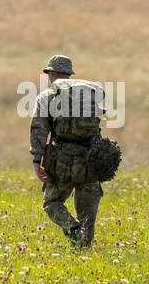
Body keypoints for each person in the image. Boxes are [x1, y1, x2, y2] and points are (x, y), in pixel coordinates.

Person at [30, 54, 104, 248]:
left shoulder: (46, 96)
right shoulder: (90, 95)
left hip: (62, 160)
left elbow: (39, 130)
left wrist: (37, 162)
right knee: (87, 214)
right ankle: (85, 246)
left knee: (52, 203)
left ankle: (72, 230)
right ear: (69, 74)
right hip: (91, 159)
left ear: (51, 73)